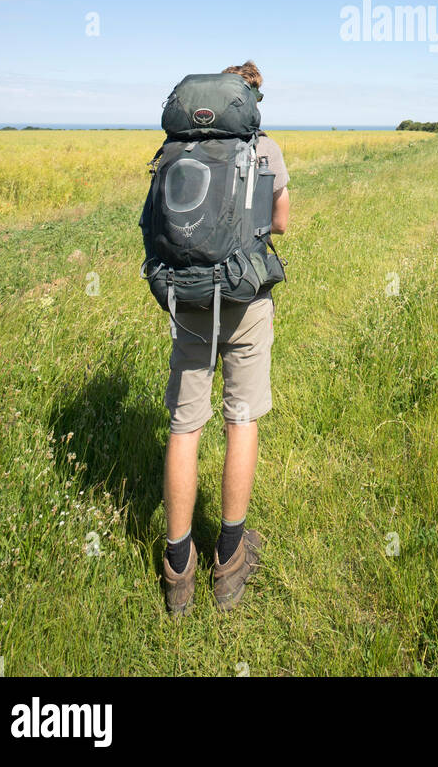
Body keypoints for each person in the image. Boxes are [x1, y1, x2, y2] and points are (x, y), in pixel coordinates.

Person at [161, 60, 290, 615]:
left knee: (185, 425)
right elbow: (281, 223)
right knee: (241, 419)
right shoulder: (264, 148)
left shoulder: (177, 149)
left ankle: (178, 568)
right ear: (251, 99)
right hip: (243, 299)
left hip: (187, 300)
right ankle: (230, 559)